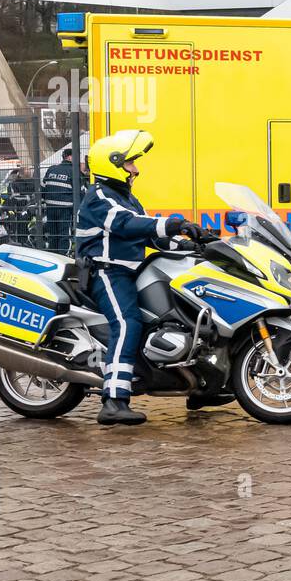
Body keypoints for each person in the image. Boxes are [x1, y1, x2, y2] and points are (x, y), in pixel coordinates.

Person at [77, 130, 199, 426]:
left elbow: (149, 235)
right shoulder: (100, 198)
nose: (136, 169)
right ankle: (114, 401)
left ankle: (199, 384)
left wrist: (191, 243)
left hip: (131, 271)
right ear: (113, 164)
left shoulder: (127, 197)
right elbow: (127, 224)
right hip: (107, 272)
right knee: (127, 322)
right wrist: (174, 224)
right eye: (130, 163)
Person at [41, 149, 79, 254]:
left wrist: (45, 201)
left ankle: (53, 255)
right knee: (64, 234)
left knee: (53, 234)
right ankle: (63, 257)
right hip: (65, 208)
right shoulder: (74, 171)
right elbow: (79, 192)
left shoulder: (51, 169)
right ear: (69, 157)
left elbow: (43, 187)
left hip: (50, 207)